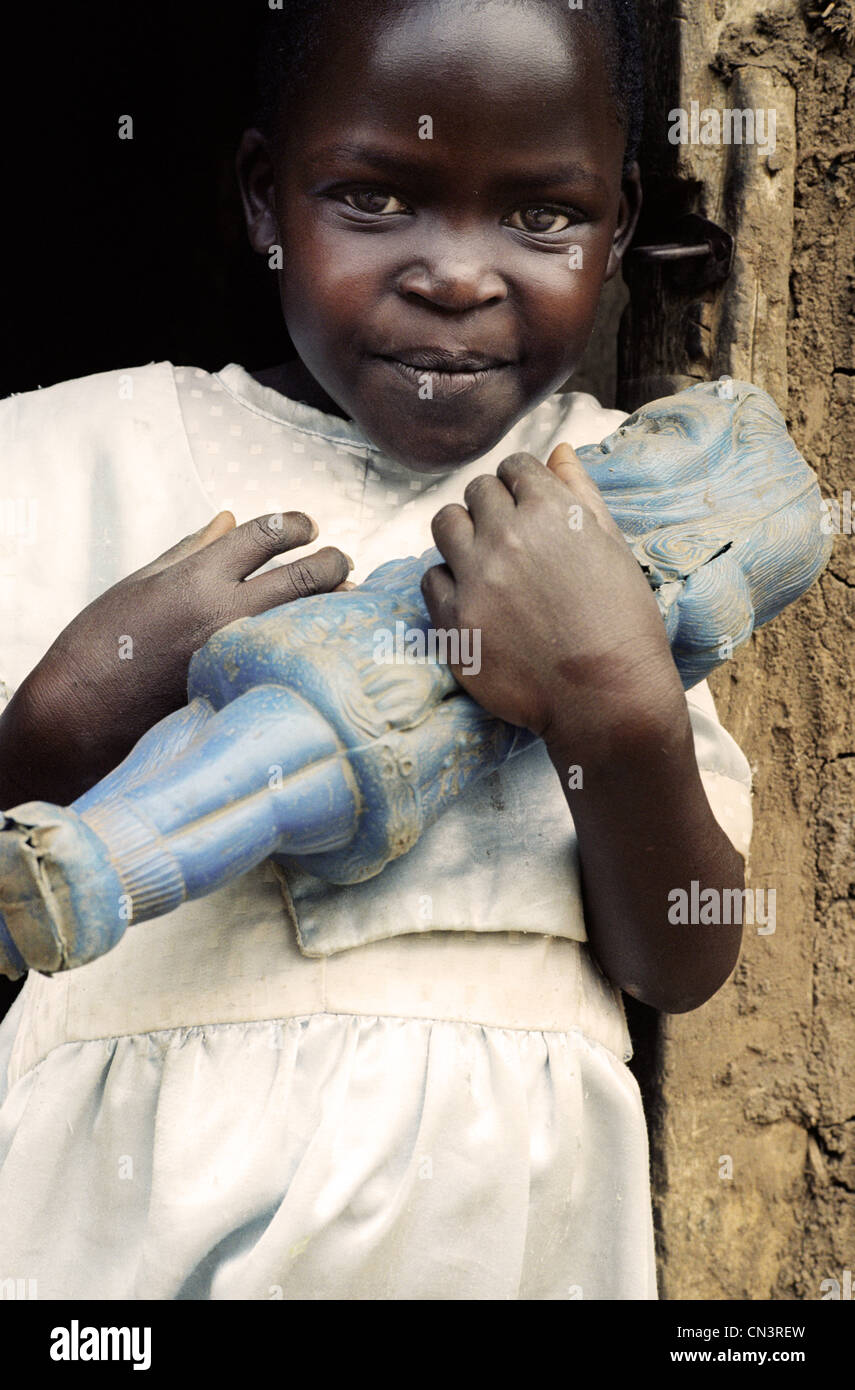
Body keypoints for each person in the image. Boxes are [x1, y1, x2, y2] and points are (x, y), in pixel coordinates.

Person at [0, 0, 753, 1299]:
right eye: (374, 199)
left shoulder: (618, 504)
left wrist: (614, 703)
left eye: (540, 215)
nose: (458, 273)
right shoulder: (64, 456)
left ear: (618, 227)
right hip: (124, 1229)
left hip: (500, 1231)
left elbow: (679, 956)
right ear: (262, 198)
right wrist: (64, 719)